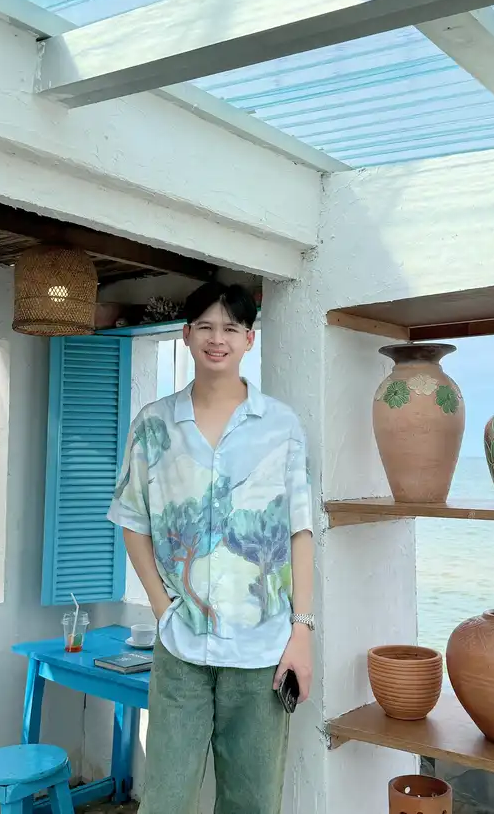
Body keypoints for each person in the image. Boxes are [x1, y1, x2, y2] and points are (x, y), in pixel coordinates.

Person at [107, 281, 314, 814]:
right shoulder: (154, 424)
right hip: (181, 650)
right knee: (165, 800)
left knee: (252, 803)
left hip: (263, 651)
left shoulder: (282, 426)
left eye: (230, 328)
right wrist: (162, 609)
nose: (217, 339)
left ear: (249, 339)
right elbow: (132, 520)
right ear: (185, 335)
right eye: (205, 326)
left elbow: (300, 531)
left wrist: (302, 632)